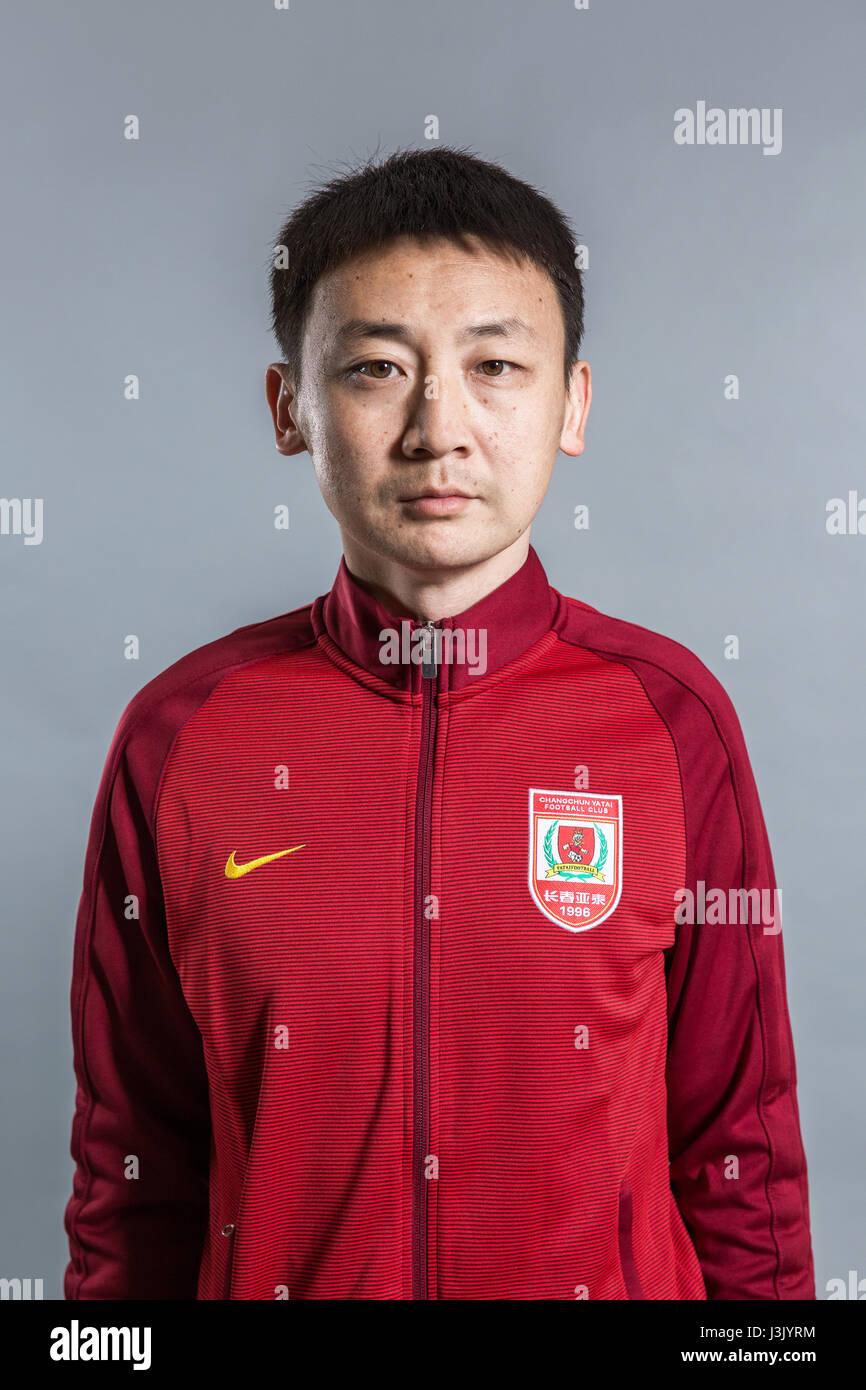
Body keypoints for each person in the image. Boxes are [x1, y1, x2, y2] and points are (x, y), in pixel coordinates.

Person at [64, 145, 814, 1300]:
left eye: (494, 366)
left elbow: (738, 1150)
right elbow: (134, 1171)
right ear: (288, 410)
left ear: (570, 403)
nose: (437, 428)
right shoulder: (180, 736)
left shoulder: (671, 721)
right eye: (374, 368)